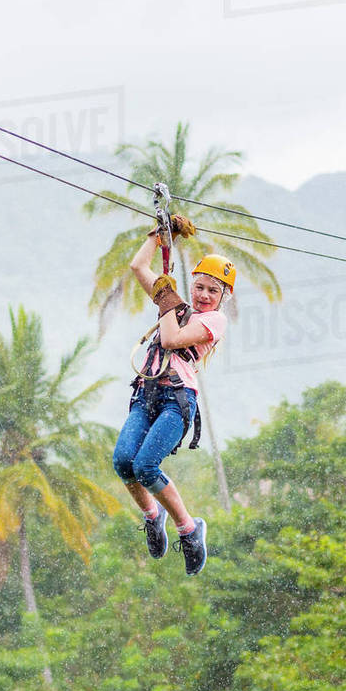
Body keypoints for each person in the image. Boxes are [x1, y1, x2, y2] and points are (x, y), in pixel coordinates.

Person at [112, 223, 234, 575]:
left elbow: (170, 340)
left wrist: (166, 299)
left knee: (145, 466)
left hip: (176, 401)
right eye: (199, 287)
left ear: (223, 295)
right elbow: (139, 267)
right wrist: (161, 235)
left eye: (213, 290)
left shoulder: (214, 321)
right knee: (123, 462)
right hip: (146, 394)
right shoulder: (175, 304)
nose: (204, 295)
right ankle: (153, 515)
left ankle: (189, 530)